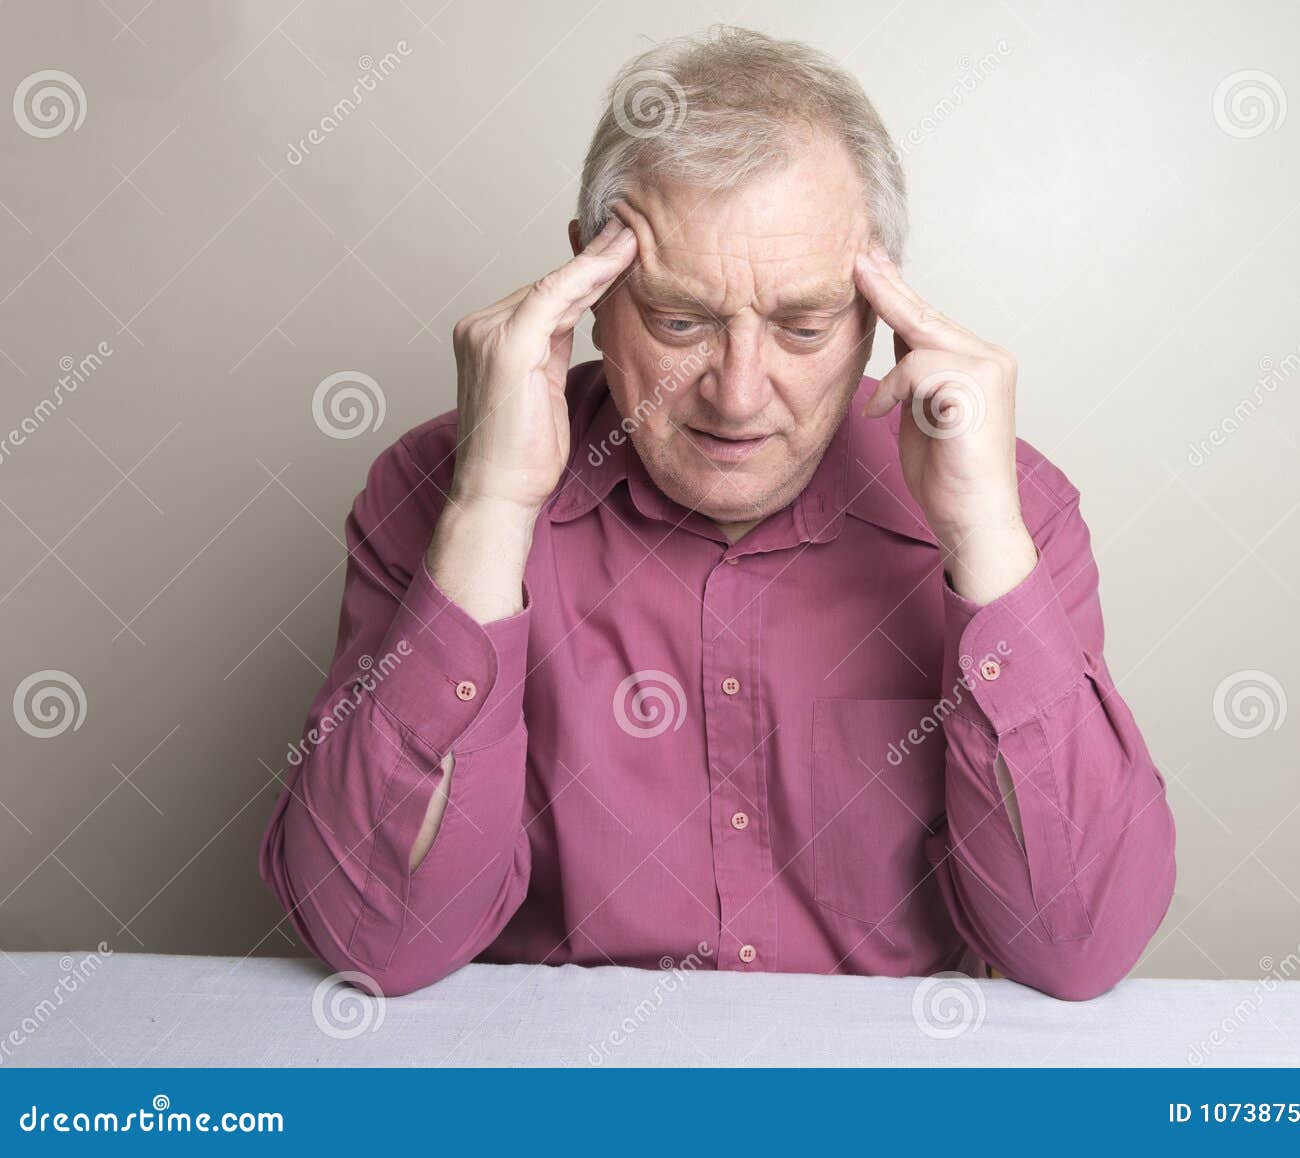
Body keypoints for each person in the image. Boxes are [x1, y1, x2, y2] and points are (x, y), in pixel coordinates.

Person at [259, 25, 1175, 999]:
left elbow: (1077, 948)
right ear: (588, 289)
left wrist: (983, 538)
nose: (738, 396)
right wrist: (487, 506)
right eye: (681, 321)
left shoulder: (1011, 505)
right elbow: (377, 942)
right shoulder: (435, 489)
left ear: (883, 305)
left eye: (802, 325)